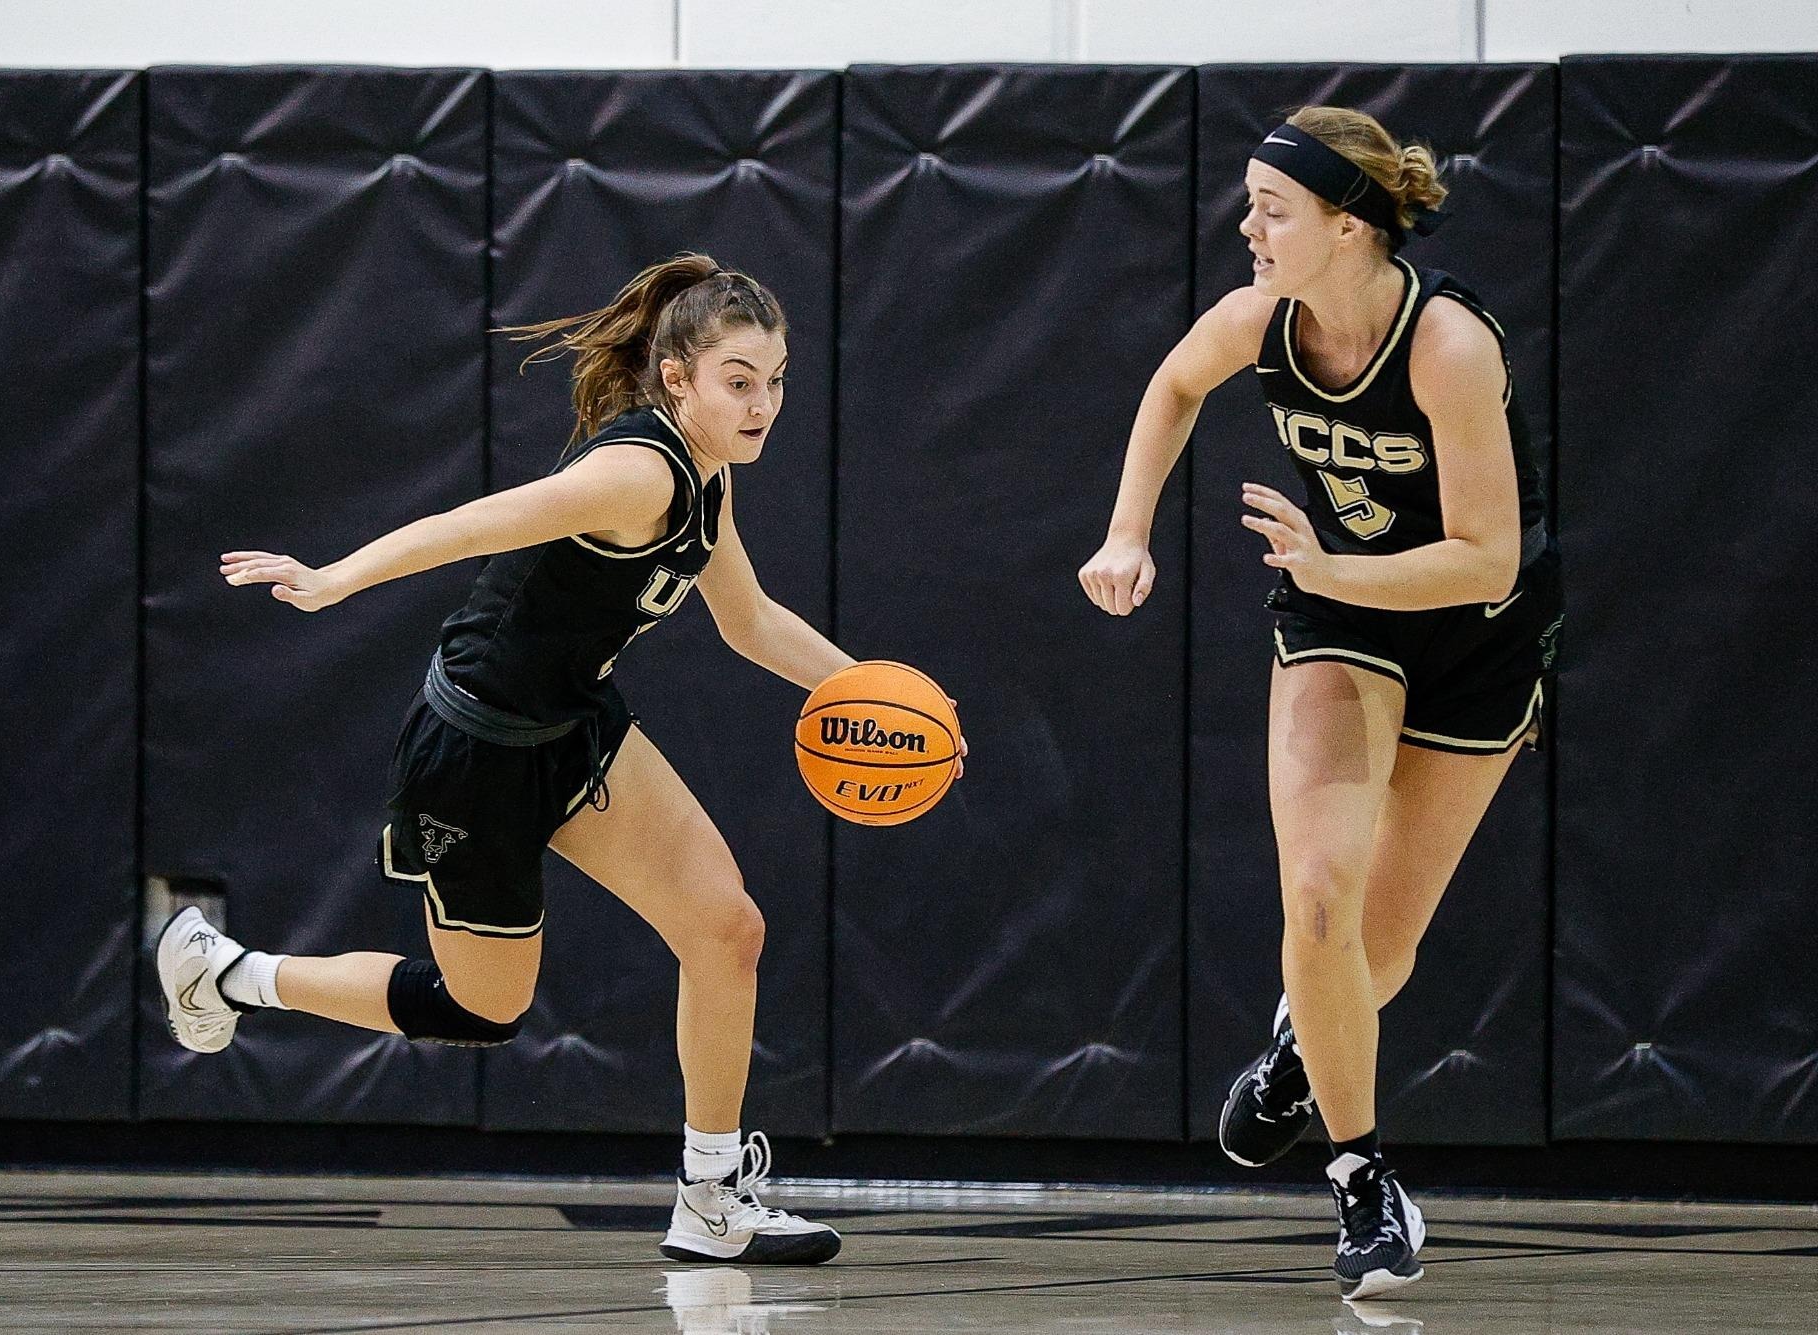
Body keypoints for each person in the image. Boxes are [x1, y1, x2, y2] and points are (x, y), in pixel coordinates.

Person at [157, 254, 929, 1266]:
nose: (763, 404)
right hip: (475, 749)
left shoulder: (708, 477)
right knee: (481, 1007)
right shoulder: (636, 472)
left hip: (572, 723)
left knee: (725, 927)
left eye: (776, 380)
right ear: (677, 378)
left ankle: (708, 1198)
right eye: (739, 380)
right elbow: (472, 524)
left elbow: (750, 623)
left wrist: (892, 702)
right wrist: (337, 577)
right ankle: (230, 972)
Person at [1079, 107, 1561, 1300]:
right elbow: (1171, 385)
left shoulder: (1444, 344)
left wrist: (1330, 567)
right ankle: (1361, 1179)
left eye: (1270, 209)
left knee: (1377, 946)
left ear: (1346, 227)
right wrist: (1126, 531)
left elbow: (1487, 557)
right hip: (1337, 616)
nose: (1245, 228)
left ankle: (1299, 1047)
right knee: (1315, 898)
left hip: (1477, 628)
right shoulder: (1258, 320)